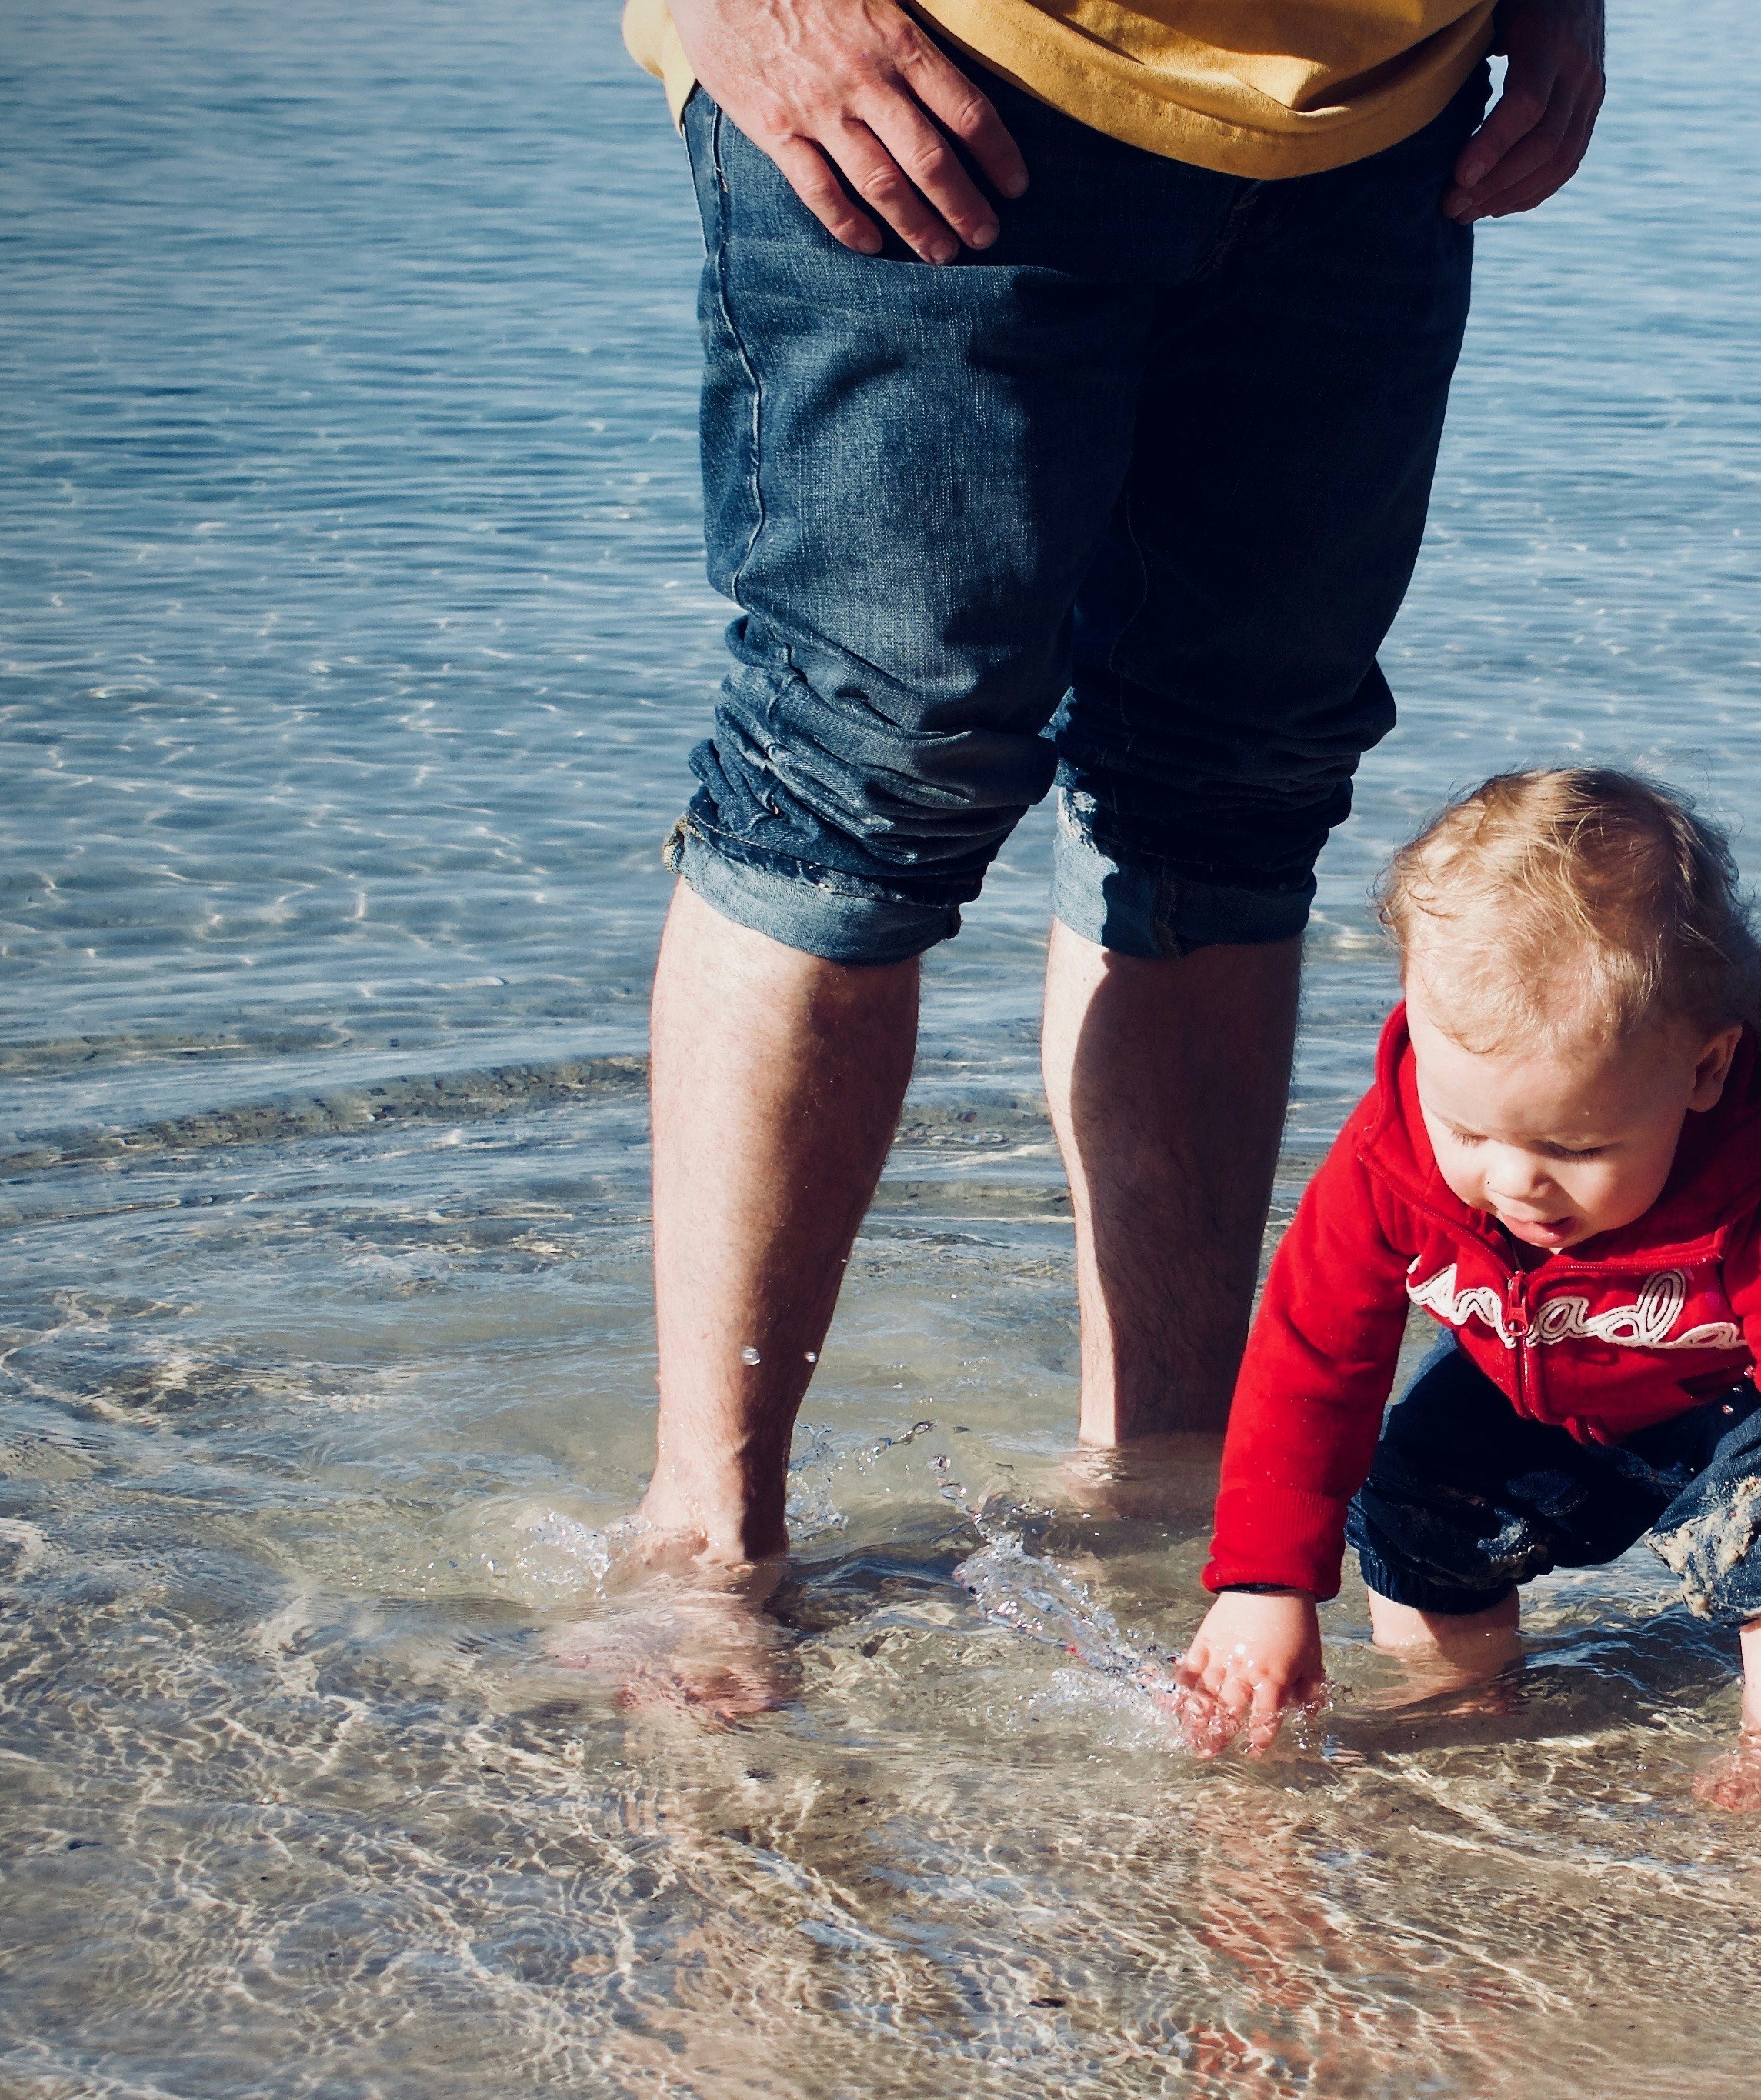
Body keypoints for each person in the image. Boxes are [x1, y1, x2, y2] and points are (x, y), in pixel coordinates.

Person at [606, 0, 1610, 1667]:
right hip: (942, 75)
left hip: (1379, 114)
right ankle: (709, 1536)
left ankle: (1168, 1488)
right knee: (866, 768)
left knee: (1235, 783)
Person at [1169, 770, 1761, 1828]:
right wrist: (1263, 1587)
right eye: (1469, 1130)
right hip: (1540, 1349)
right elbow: (1312, 1359)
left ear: (1706, 1070)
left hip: (1759, 1385)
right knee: (1412, 1508)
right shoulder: (1390, 1158)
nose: (1513, 1182)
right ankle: (1465, 1699)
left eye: (1574, 1145)